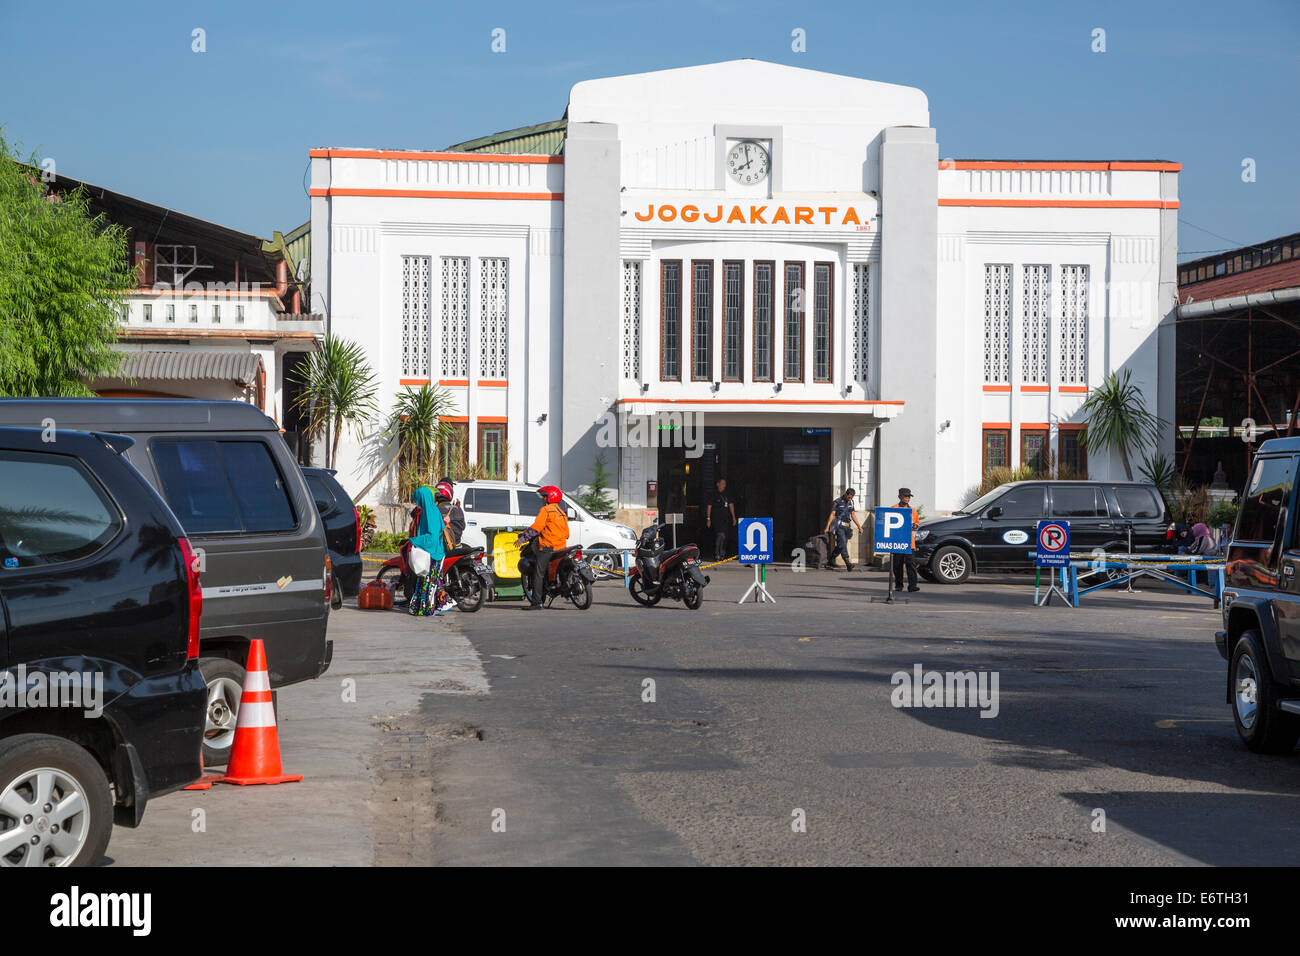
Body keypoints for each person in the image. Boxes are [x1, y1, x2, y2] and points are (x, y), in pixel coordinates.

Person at [517, 485, 569, 610]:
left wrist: (522, 538)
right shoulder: (561, 512)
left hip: (547, 547)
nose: (543, 499)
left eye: (544, 496)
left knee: (538, 574)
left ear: (549, 498)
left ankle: (536, 603)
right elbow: (567, 533)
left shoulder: (546, 510)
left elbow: (536, 527)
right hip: (561, 547)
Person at [408, 484, 455, 616]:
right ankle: (421, 607)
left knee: (429, 581)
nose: (417, 503)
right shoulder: (429, 510)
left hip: (434, 553)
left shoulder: (430, 513)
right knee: (428, 581)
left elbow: (432, 537)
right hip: (432, 552)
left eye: (418, 500)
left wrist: (415, 541)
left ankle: (430, 607)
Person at [823, 487, 863, 571]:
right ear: (846, 494)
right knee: (842, 542)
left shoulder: (851, 502)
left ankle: (831, 559)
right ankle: (847, 562)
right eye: (849, 497)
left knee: (841, 544)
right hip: (839, 526)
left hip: (847, 527)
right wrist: (827, 527)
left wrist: (859, 526)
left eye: (851, 498)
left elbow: (853, 515)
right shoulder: (837, 502)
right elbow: (832, 514)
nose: (850, 499)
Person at [892, 487, 920, 593]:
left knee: (911, 564)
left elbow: (917, 522)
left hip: (909, 542)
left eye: (909, 497)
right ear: (899, 497)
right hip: (897, 541)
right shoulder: (893, 508)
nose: (907, 498)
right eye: (905, 496)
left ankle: (912, 586)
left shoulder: (912, 510)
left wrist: (915, 526)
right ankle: (899, 585)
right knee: (897, 565)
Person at [706, 477, 736, 560]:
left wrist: (733, 517)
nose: (724, 485)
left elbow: (731, 505)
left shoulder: (727, 494)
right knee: (720, 535)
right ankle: (718, 553)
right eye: (722, 483)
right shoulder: (713, 494)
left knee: (725, 536)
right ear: (718, 484)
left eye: (725, 484)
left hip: (725, 519)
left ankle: (722, 553)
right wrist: (708, 518)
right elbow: (709, 506)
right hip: (716, 519)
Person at [435, 479, 465, 546]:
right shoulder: (458, 508)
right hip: (457, 545)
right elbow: (463, 527)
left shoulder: (435, 510)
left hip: (443, 547)